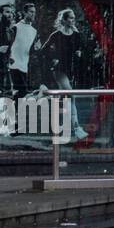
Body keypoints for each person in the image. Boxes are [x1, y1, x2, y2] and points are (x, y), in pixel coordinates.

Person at [39, 9, 87, 141]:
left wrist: (79, 53)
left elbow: (81, 48)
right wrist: (53, 57)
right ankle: (76, 128)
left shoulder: (76, 35)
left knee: (67, 96)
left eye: (73, 18)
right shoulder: (56, 35)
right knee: (71, 95)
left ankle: (42, 94)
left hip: (70, 69)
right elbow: (43, 50)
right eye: (70, 18)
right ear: (64, 20)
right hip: (59, 69)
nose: (73, 20)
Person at [8, 2, 38, 95]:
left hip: (25, 66)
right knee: (21, 92)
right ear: (24, 13)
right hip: (13, 65)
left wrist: (37, 48)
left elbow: (33, 49)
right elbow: (8, 44)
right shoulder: (15, 28)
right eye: (31, 12)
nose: (33, 14)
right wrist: (9, 58)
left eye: (34, 12)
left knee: (20, 95)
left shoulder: (34, 31)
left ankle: (14, 109)